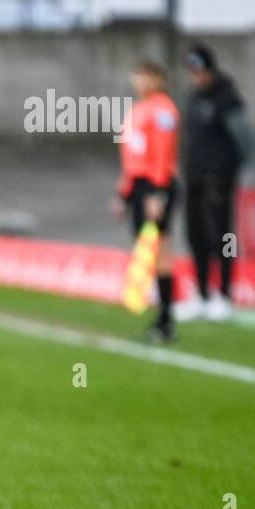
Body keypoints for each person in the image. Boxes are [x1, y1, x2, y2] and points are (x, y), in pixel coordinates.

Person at [181, 43, 254, 322]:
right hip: (195, 177)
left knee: (223, 237)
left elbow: (244, 140)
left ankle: (224, 294)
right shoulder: (192, 98)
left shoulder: (227, 98)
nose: (196, 77)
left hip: (219, 180)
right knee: (195, 236)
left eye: (199, 70)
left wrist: (234, 171)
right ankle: (201, 294)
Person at [113, 61, 180, 342]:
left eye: (145, 75)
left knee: (161, 249)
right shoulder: (137, 109)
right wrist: (124, 192)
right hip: (140, 186)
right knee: (147, 249)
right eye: (137, 74)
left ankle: (166, 319)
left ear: (158, 79)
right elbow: (132, 154)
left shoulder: (164, 109)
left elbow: (163, 155)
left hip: (156, 186)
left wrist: (158, 192)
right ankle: (158, 313)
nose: (139, 80)